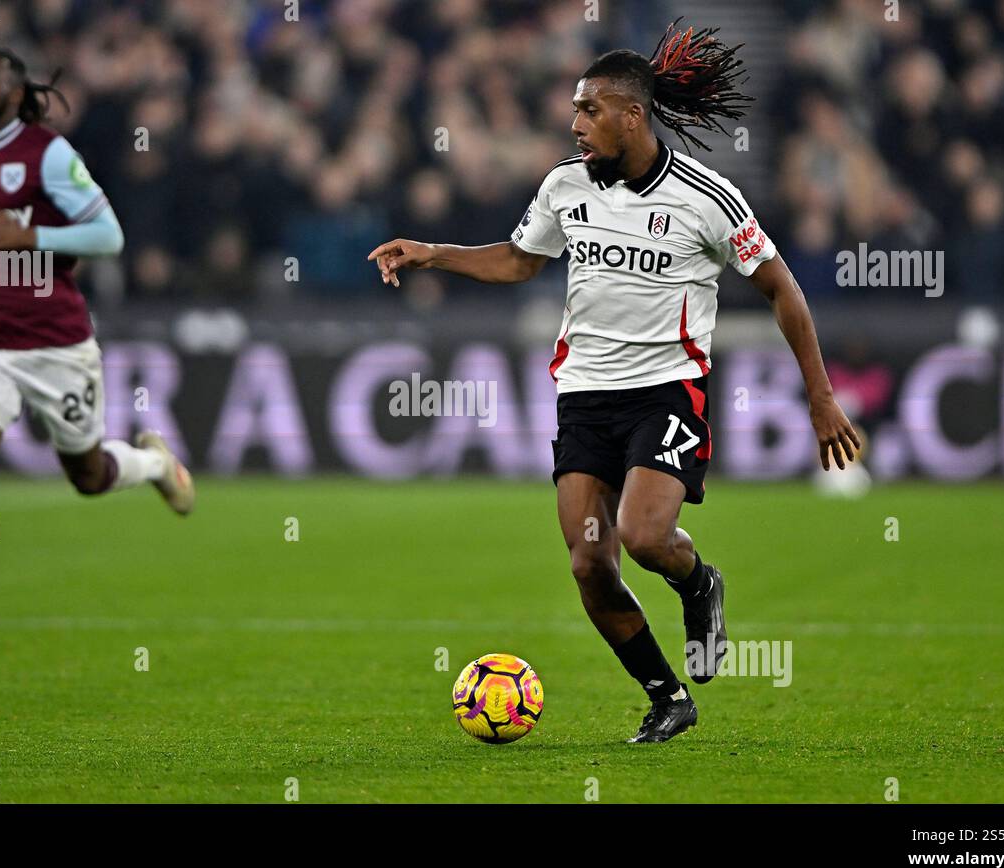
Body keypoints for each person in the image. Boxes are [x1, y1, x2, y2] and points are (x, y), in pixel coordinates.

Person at [368, 25, 859, 742]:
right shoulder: (565, 187)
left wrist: (820, 397)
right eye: (574, 109)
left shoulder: (707, 197)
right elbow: (519, 259)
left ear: (633, 115)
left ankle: (698, 582)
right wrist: (434, 253)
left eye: (590, 110)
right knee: (590, 562)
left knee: (643, 533)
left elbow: (782, 289)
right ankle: (667, 696)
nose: (575, 124)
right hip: (585, 393)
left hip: (667, 389)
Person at [0, 49, 194, 671]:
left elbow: (108, 235)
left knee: (87, 476)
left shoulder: (49, 155)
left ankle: (152, 463)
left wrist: (33, 237)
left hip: (56, 346)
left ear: (15, 93)